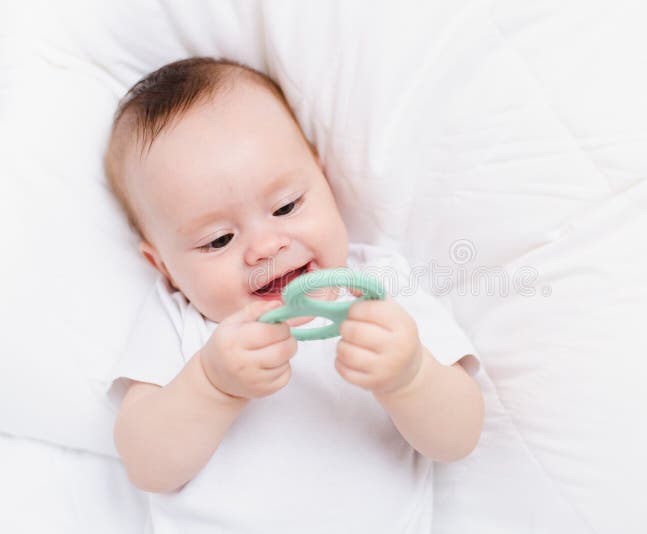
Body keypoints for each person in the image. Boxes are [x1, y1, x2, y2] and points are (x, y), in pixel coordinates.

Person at [103, 57, 484, 533]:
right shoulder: (183, 323)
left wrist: (409, 377)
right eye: (219, 240)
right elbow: (146, 466)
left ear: (324, 181)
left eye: (286, 206)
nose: (266, 247)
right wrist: (211, 385)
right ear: (165, 266)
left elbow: (459, 438)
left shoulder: (380, 291)